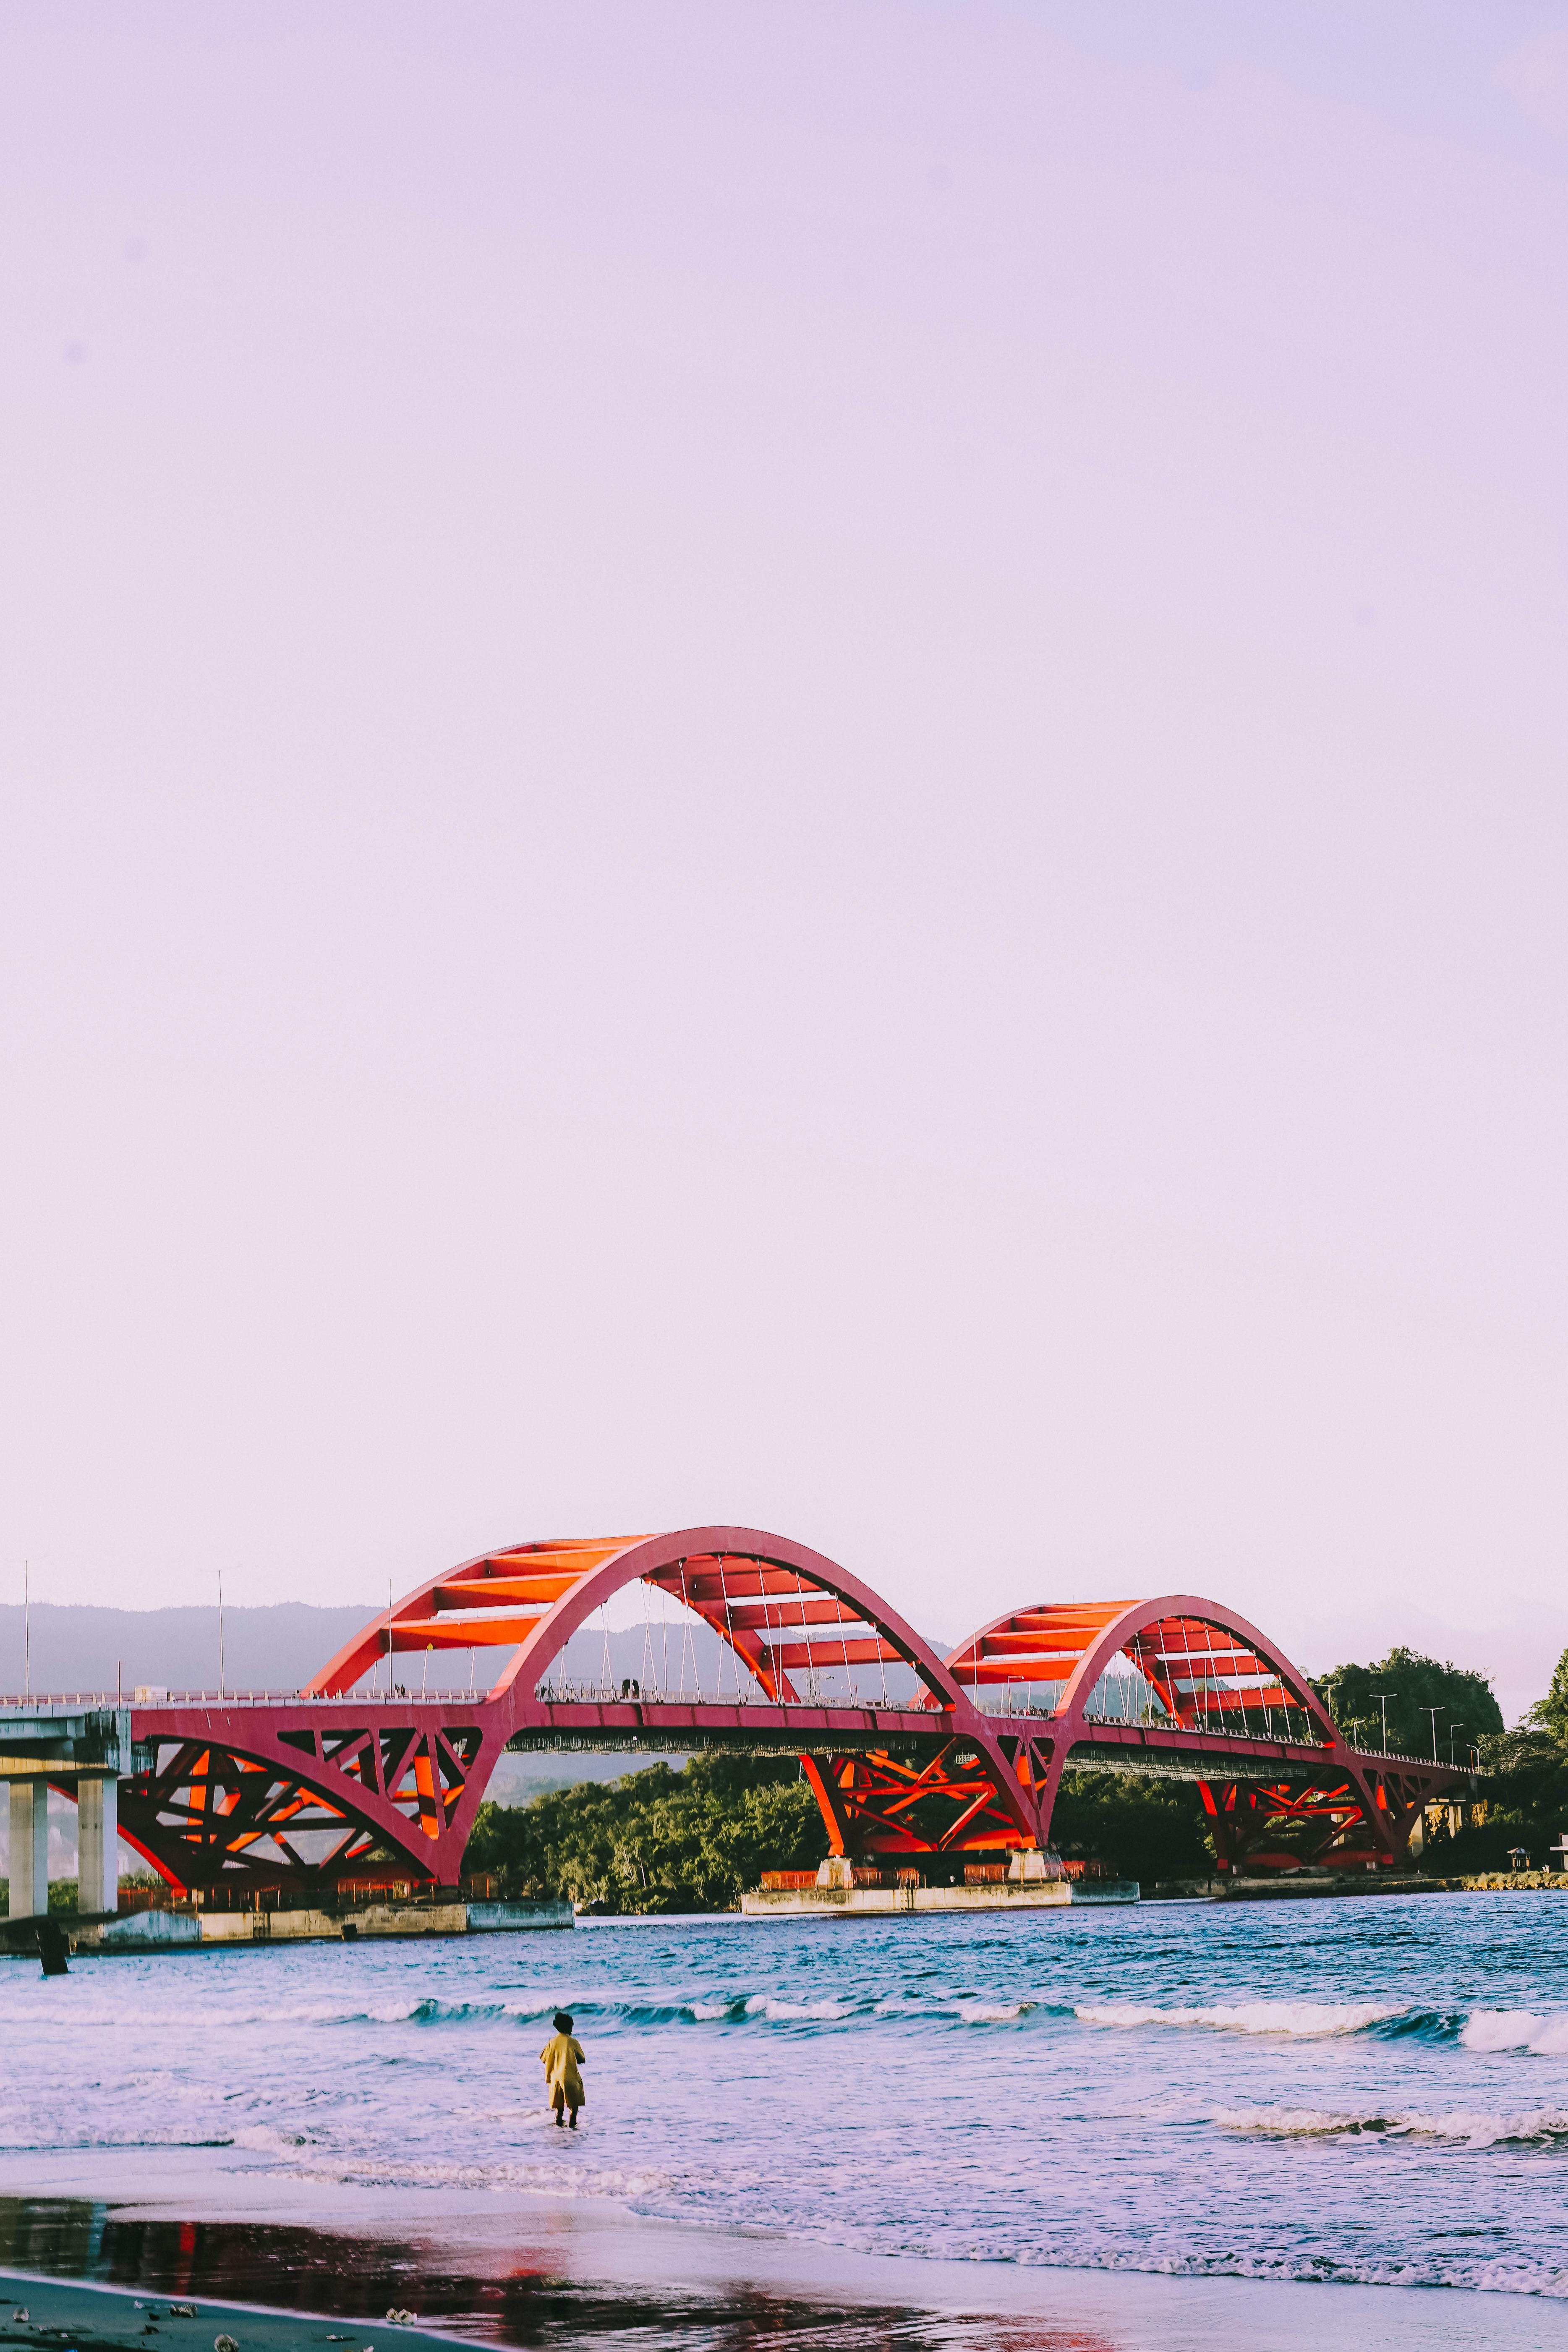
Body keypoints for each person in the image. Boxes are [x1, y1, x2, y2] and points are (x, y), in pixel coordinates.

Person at [539, 2009, 586, 2127]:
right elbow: (582, 2059)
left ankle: (559, 2130)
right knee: (573, 2109)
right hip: (570, 2079)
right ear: (569, 2027)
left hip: (555, 2080)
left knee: (559, 2110)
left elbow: (544, 2058)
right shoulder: (573, 2042)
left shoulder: (552, 2042)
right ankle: (572, 2131)